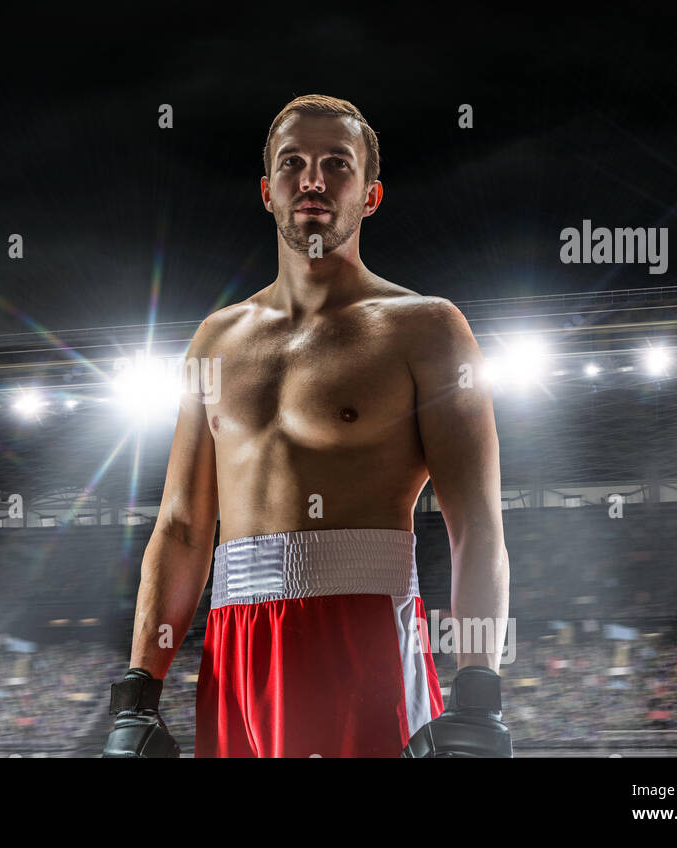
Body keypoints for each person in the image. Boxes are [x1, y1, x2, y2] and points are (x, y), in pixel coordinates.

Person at [103, 94, 511, 758]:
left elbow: (477, 526)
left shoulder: (428, 329)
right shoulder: (214, 339)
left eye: (336, 164)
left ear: (371, 195)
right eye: (293, 163)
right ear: (268, 191)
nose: (313, 180)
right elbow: (180, 527)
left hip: (365, 637)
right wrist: (137, 696)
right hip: (235, 651)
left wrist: (479, 694)